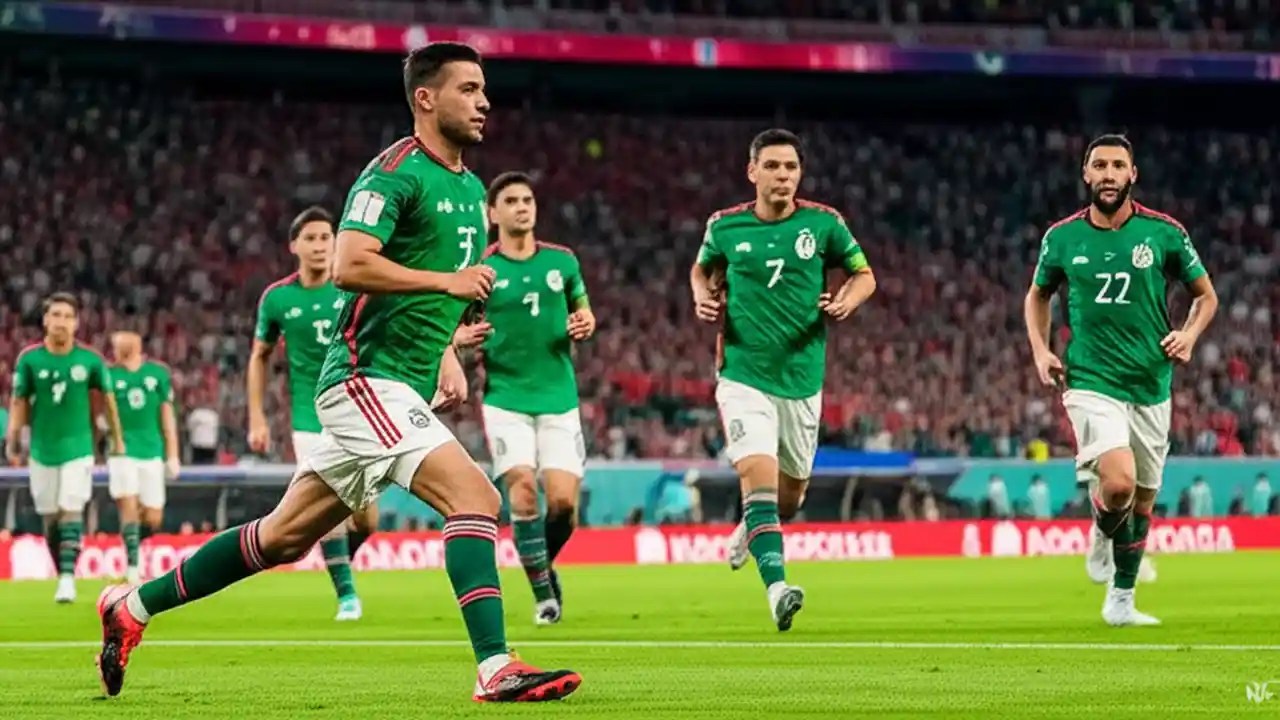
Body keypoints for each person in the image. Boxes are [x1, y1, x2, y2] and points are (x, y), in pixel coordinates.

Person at [94, 42, 581, 703]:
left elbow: (437, 291)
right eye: (468, 89)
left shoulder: (470, 190)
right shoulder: (393, 174)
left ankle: (130, 608)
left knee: (282, 537)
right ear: (425, 98)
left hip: (400, 385)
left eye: (484, 89)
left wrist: (446, 349)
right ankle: (495, 666)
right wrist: (447, 283)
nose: (484, 102)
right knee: (476, 499)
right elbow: (352, 265)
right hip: (362, 379)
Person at [1025, 133, 1217, 626]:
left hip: (1151, 382)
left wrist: (1189, 334)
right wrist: (1042, 350)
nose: (1108, 174)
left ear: (1133, 174)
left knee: (1143, 498)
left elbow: (1206, 296)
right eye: (1099, 166)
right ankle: (1102, 529)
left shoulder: (1163, 233)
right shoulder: (1062, 237)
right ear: (1085, 174)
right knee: (1118, 484)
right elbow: (1037, 295)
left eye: (1117, 166)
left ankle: (1121, 600)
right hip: (1090, 378)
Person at [689, 128, 876, 630]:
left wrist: (846, 301)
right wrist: (702, 295)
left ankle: (750, 527)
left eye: (790, 167)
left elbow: (864, 275)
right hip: (742, 374)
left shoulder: (824, 224)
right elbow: (701, 270)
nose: (782, 175)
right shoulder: (724, 227)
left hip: (802, 379)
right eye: (772, 166)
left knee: (789, 499)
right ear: (752, 171)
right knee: (758, 476)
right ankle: (777, 588)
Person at [454, 171, 595, 626]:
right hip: (505, 398)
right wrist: (460, 338)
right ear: (492, 214)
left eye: (528, 200)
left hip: (559, 397)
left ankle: (540, 563)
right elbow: (452, 327)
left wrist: (584, 323)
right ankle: (543, 597)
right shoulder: (480, 269)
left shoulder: (562, 262)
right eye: (512, 201)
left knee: (564, 506)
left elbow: (584, 311)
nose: (522, 207)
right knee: (522, 489)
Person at [248, 206, 378, 621]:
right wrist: (257, 417)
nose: (320, 245)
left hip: (360, 410)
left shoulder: (354, 286)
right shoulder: (278, 298)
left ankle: (338, 562)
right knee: (329, 504)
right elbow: (259, 356)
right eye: (311, 238)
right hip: (310, 416)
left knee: (366, 520)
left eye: (326, 237)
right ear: (294, 246)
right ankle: (347, 596)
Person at [5, 292, 125, 603]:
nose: (61, 322)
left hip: (78, 448)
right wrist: (13, 439)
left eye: (68, 316)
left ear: (76, 323)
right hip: (42, 449)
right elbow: (19, 401)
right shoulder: (29, 360)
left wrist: (117, 438)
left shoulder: (90, 361)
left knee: (71, 507)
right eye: (56, 315)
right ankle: (63, 572)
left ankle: (68, 579)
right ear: (45, 320)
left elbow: (108, 401)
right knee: (50, 518)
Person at [106, 329, 180, 585]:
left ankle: (132, 540)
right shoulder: (109, 375)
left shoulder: (158, 374)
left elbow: (167, 415)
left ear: (135, 345)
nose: (115, 350)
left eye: (119, 345)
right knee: (128, 507)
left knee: (153, 518)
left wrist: (173, 454)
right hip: (121, 452)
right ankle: (133, 568)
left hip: (152, 451)